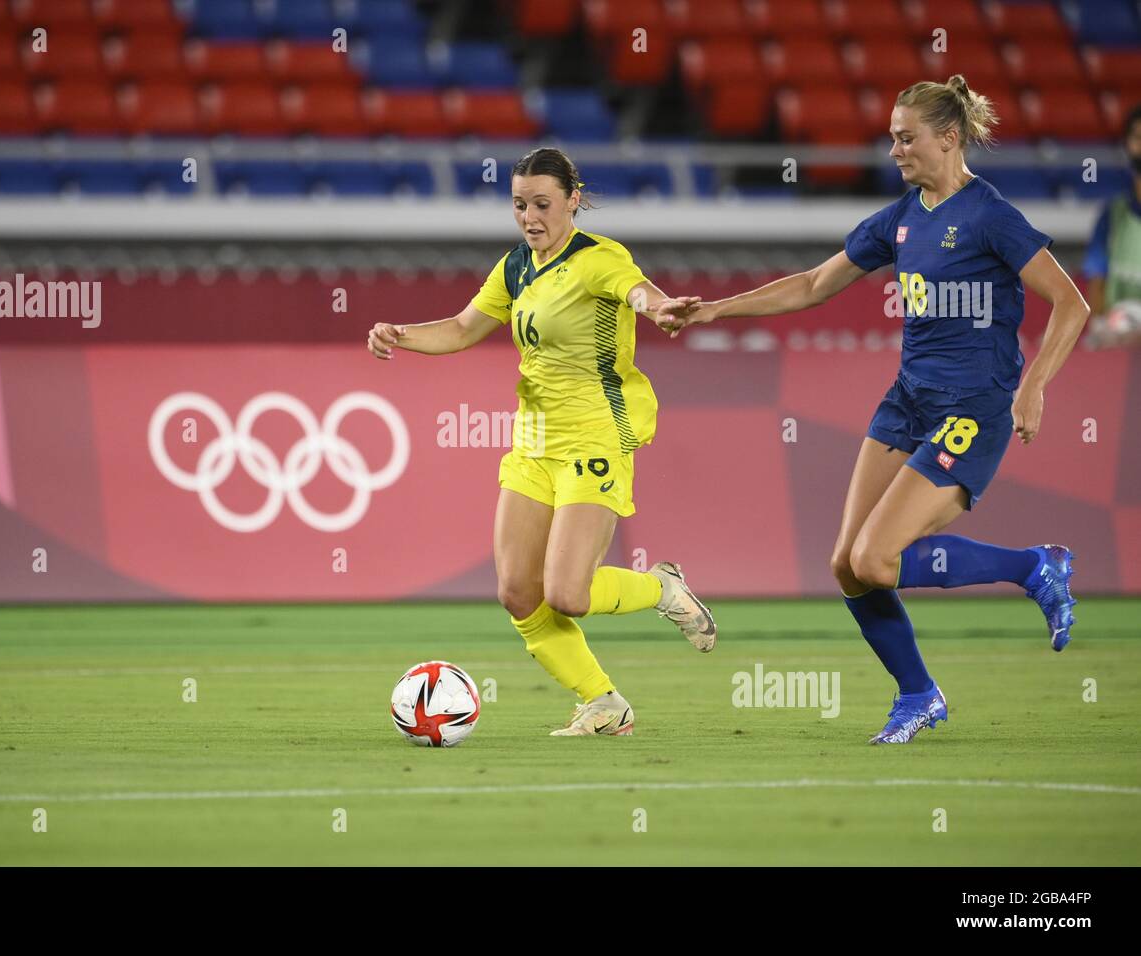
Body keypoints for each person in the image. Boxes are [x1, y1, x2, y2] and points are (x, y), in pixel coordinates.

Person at [656, 76, 1089, 744]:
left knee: (878, 560)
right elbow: (812, 285)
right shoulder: (901, 219)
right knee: (847, 565)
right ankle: (918, 694)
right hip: (907, 403)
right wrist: (716, 307)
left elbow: (1071, 303)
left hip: (971, 410)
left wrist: (1034, 386)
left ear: (948, 138)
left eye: (905, 137)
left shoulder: (990, 216)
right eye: (891, 137)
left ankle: (1035, 567)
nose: (894, 150)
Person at [367, 146, 714, 737]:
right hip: (532, 439)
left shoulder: (599, 258)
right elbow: (460, 329)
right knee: (519, 591)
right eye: (520, 205)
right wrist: (401, 334)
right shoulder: (515, 267)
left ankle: (663, 587)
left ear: (573, 201)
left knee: (569, 593)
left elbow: (638, 291)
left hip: (596, 434)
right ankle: (603, 703)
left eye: (543, 205)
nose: (530, 217)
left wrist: (659, 307)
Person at [1083, 103, 1141, 348]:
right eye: (1138, 137)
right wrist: (1097, 325)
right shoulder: (1112, 214)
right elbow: (1097, 277)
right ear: (1127, 144)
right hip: (1118, 329)